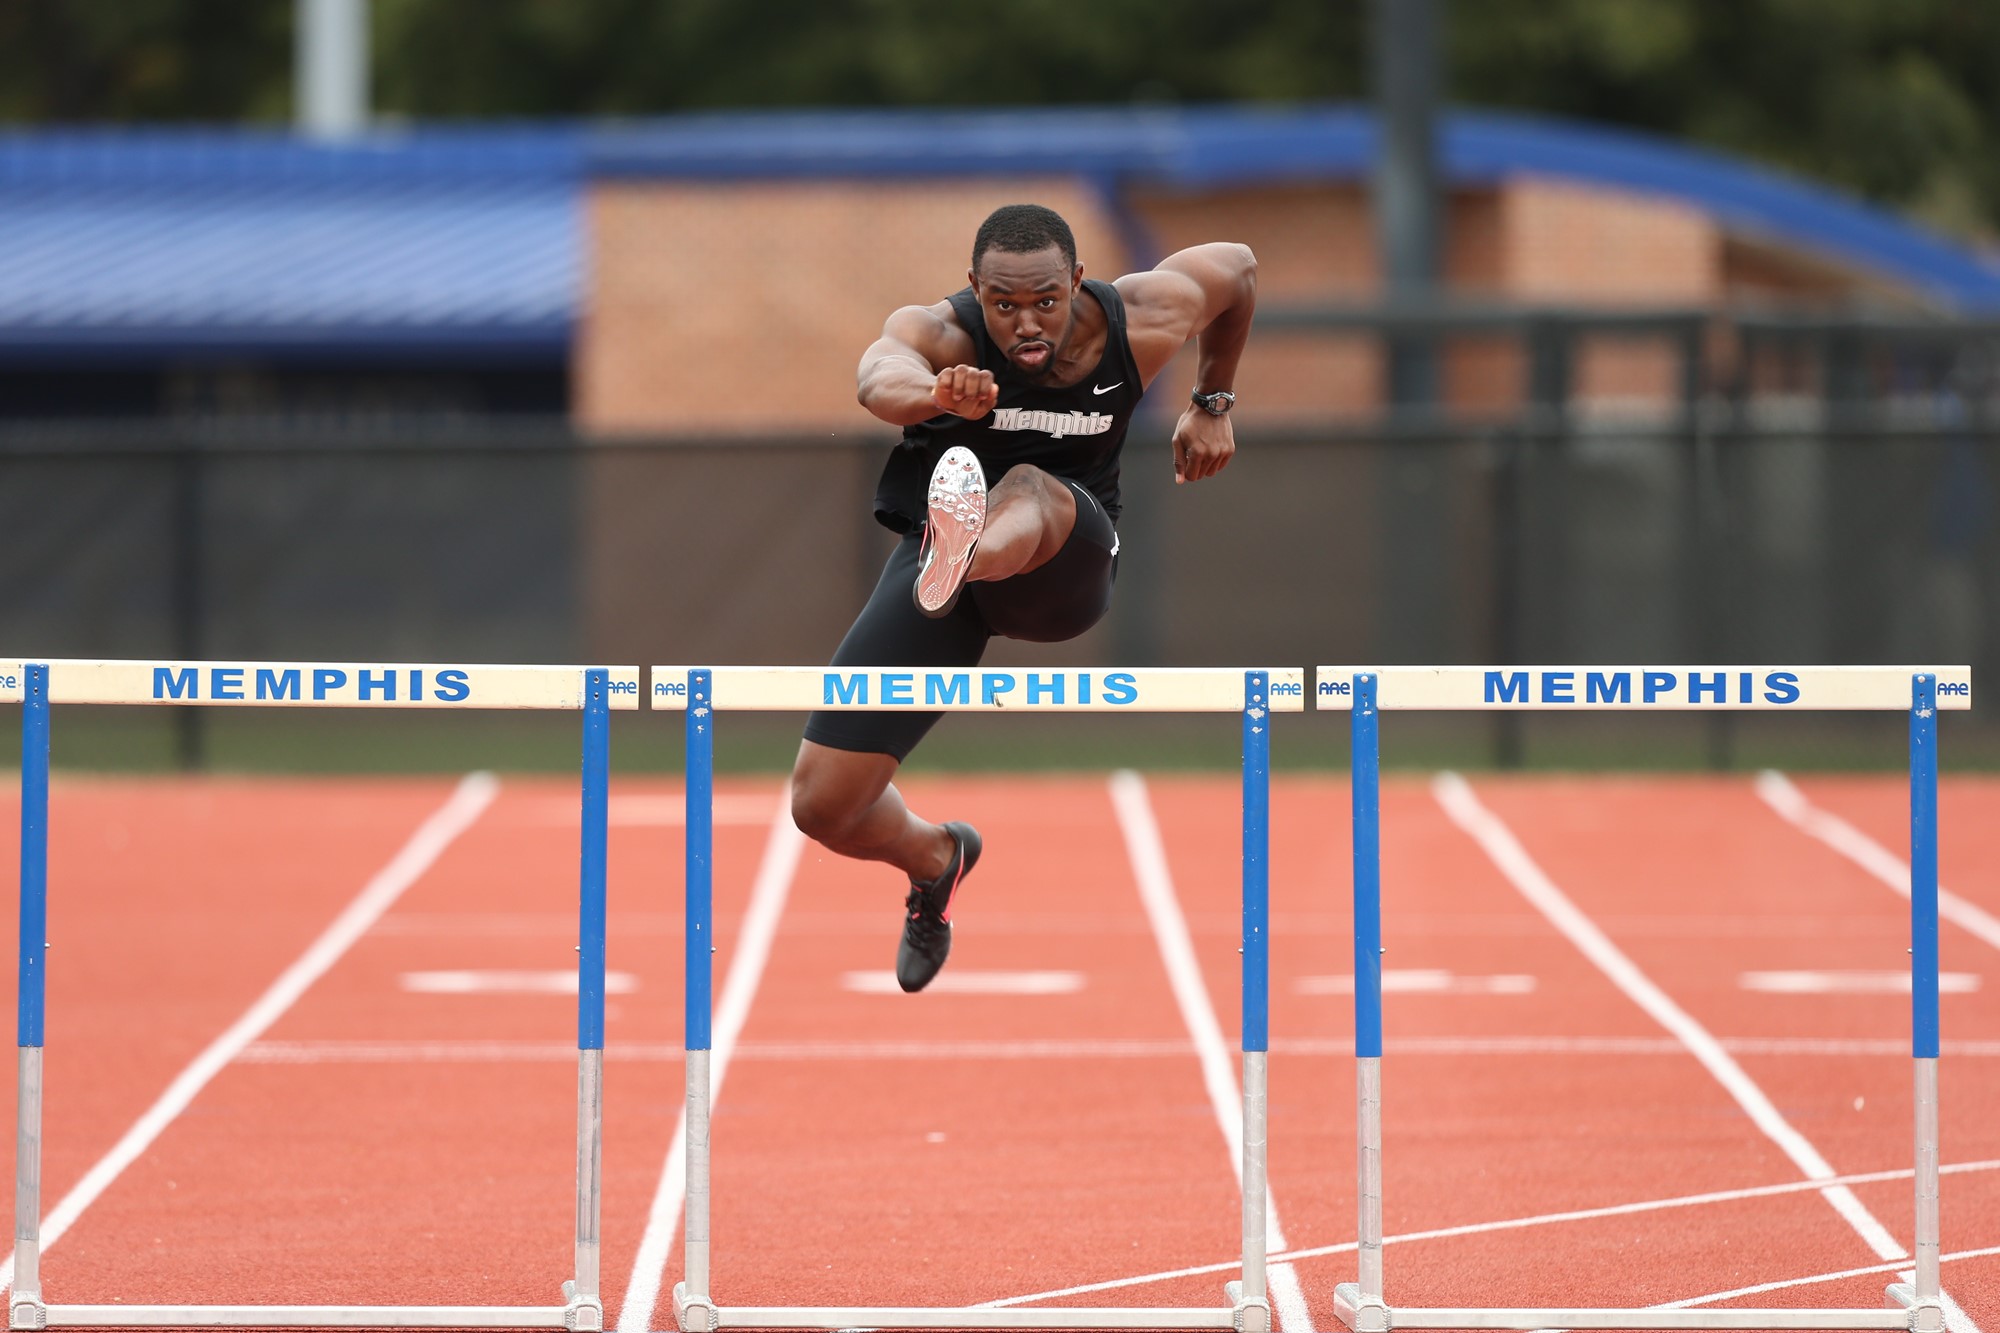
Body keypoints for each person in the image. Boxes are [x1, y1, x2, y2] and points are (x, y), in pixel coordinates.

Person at [789, 202, 1257, 993]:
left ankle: (967, 547)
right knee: (823, 805)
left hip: (1064, 563)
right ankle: (938, 858)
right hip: (942, 572)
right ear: (976, 289)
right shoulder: (945, 336)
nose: (1026, 323)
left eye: (1046, 300)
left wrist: (1212, 402)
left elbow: (1239, 267)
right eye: (1003, 306)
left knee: (1032, 486)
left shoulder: (1141, 317)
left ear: (1077, 279)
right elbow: (879, 376)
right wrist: (937, 394)